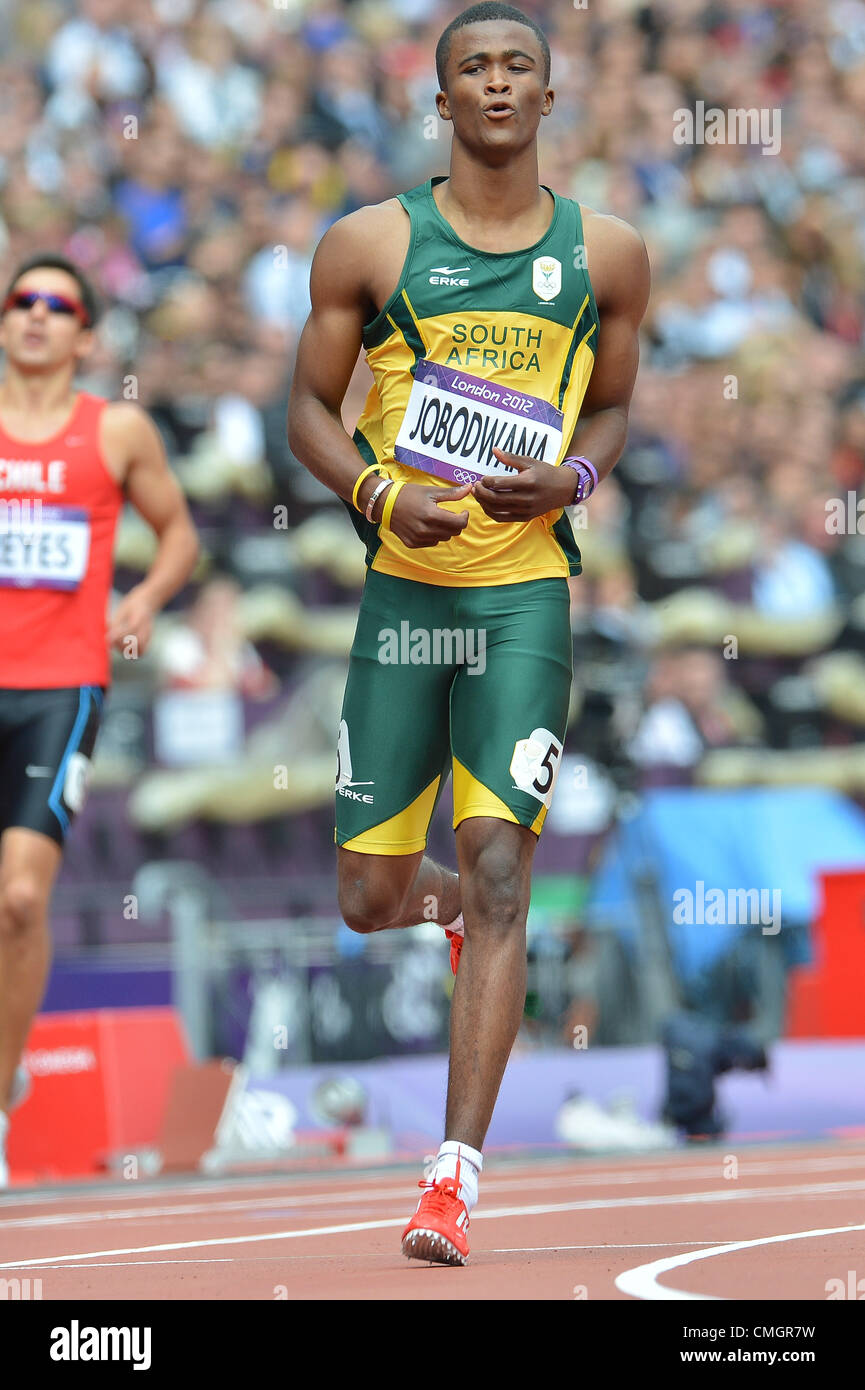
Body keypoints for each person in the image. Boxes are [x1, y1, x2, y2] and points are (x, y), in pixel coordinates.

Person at [287, 1, 649, 1265]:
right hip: (405, 598)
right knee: (368, 893)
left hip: (521, 603)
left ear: (549, 98)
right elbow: (307, 413)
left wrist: (575, 484)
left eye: (518, 68)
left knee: (503, 868)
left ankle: (450, 1177)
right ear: (438, 101)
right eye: (471, 69)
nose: (496, 84)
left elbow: (608, 412)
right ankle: (432, 905)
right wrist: (377, 490)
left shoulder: (607, 254)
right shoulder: (369, 245)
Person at [0, 253, 199, 1185]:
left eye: (58, 306)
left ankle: (1, 1091)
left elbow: (182, 534)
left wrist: (149, 598)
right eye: (22, 301)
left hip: (59, 688)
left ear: (85, 337)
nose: (36, 316)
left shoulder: (115, 430)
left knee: (21, 898)